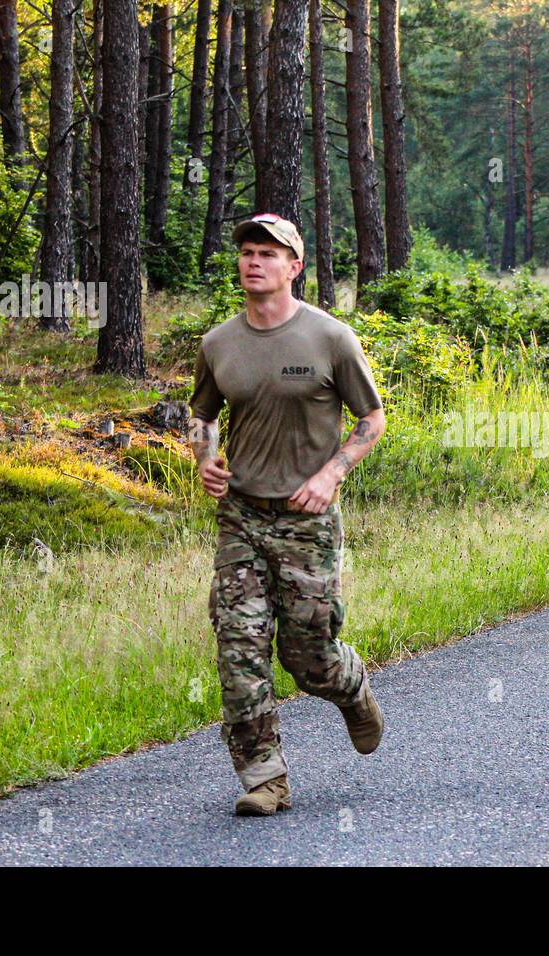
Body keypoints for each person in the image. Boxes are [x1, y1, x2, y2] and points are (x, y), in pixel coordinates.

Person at [187, 213, 387, 816]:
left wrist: (331, 474)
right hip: (242, 516)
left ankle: (349, 685)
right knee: (239, 646)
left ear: (294, 267)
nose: (254, 262)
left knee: (307, 658)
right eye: (247, 252)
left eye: (268, 254)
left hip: (307, 522)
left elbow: (372, 420)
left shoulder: (330, 339)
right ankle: (264, 777)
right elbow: (201, 414)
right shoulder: (218, 343)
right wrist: (205, 457)